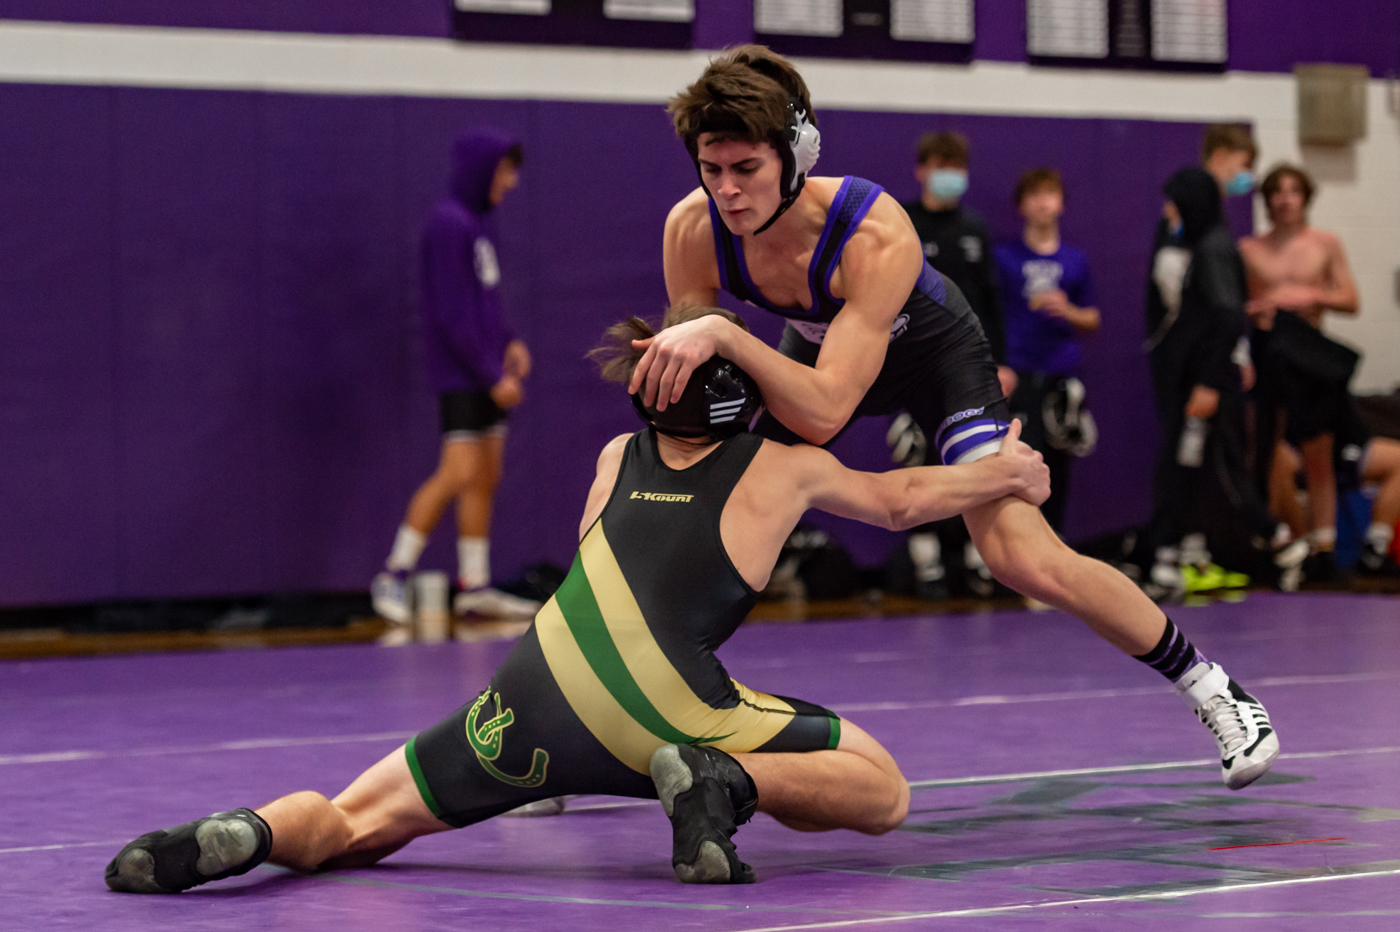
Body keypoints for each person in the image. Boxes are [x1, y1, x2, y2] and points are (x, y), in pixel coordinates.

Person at [104, 305, 1055, 894]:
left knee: (355, 824)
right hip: (667, 711)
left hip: (527, 699)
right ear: (738, 395)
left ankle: (258, 831)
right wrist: (1005, 472)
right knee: (880, 790)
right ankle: (724, 781)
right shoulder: (784, 465)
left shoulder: (613, 458)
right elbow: (899, 501)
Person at [644, 45, 1279, 790]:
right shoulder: (693, 229)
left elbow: (828, 405)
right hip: (819, 354)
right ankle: (596, 715)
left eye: (746, 168)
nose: (727, 191)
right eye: (711, 169)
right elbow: (702, 393)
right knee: (703, 510)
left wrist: (724, 338)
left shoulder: (872, 229)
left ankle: (1213, 688)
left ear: (798, 153)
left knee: (1020, 556)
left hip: (934, 357)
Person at [372, 128, 540, 624]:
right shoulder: (448, 224)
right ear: (482, 169)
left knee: (486, 476)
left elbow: (484, 299)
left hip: (485, 369)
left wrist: (509, 340)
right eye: (505, 171)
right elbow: (452, 314)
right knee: (458, 472)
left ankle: (474, 584)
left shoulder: (476, 225)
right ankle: (394, 572)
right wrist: (490, 375)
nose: (511, 182)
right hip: (462, 375)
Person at [1140, 168, 1307, 596]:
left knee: (1222, 470)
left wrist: (1209, 383)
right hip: (1194, 380)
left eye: (1173, 203)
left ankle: (1279, 541)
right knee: (1183, 466)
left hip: (1210, 383)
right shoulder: (1199, 245)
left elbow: (1229, 317)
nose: (1167, 211)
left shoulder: (1213, 248)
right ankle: (1169, 553)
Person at [896, 131, 1014, 597]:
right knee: (918, 457)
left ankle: (979, 562)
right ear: (921, 170)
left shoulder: (974, 228)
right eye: (941, 166)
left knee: (977, 458)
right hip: (913, 363)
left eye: (957, 167)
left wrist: (1000, 362)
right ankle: (926, 564)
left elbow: (990, 299)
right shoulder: (901, 221)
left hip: (967, 363)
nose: (950, 176)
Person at [1240, 164, 1361, 579]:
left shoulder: (1325, 244)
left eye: (1294, 190)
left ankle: (1324, 547)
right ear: (1267, 200)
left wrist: (1311, 296)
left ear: (1306, 198)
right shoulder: (1249, 249)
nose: (1285, 199)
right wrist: (1260, 308)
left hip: (1308, 355)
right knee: (1266, 449)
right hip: (1268, 351)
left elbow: (1350, 299)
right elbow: (1229, 305)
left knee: (1318, 452)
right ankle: (1282, 540)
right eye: (1277, 191)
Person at [995, 168, 1101, 532]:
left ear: (1062, 204)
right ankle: (1017, 543)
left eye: (1050, 194)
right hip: (1019, 374)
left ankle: (1053, 544)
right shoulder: (1004, 257)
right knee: (1017, 462)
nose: (1043, 202)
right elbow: (987, 314)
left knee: (1057, 466)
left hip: (1061, 375)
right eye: (1034, 194)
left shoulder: (1075, 259)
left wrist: (1068, 310)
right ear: (1021, 205)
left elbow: (1093, 317)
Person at [1271, 397, 1400, 577]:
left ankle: (1375, 549)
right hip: (1299, 451)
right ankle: (1302, 549)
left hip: (1342, 446)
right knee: (1279, 463)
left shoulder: (1331, 392)